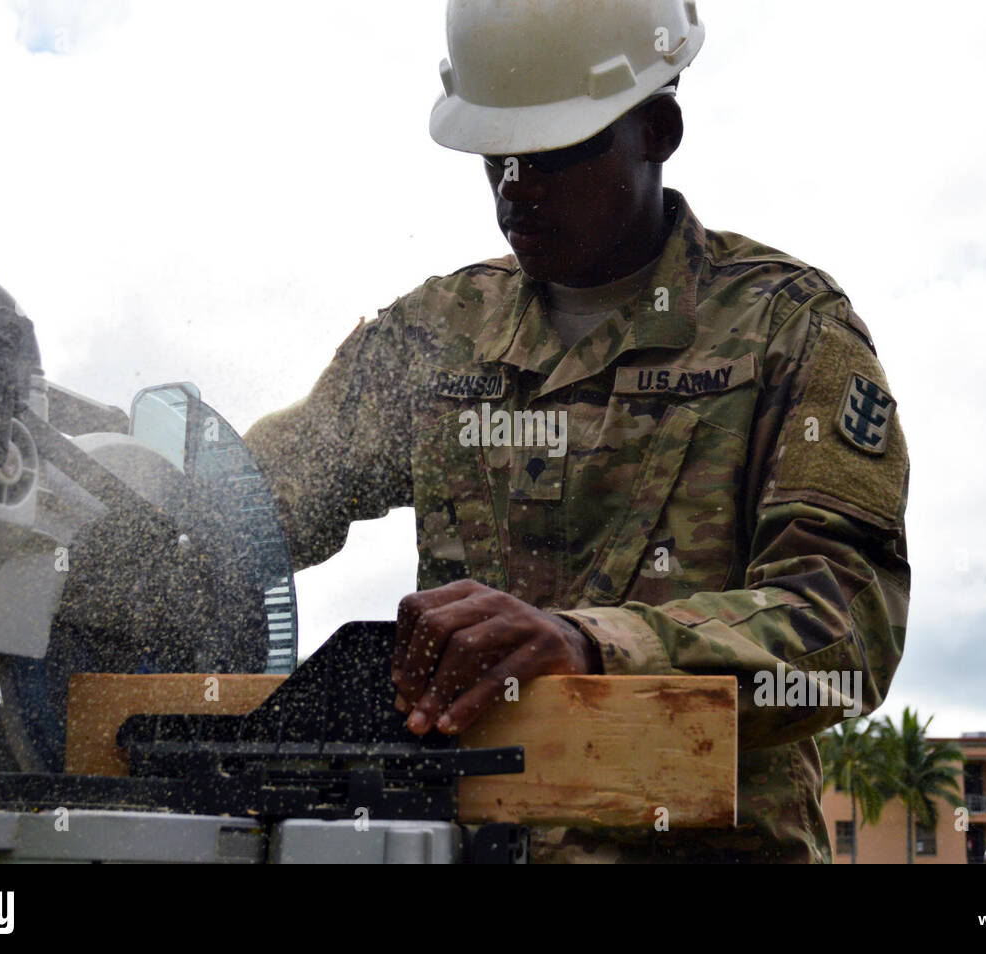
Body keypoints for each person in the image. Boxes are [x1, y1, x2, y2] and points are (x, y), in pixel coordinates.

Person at [244, 0, 910, 863]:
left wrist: (593, 646)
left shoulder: (789, 333)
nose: (516, 191)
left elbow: (845, 631)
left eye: (553, 157)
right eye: (496, 158)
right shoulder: (433, 336)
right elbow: (249, 506)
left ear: (657, 131)